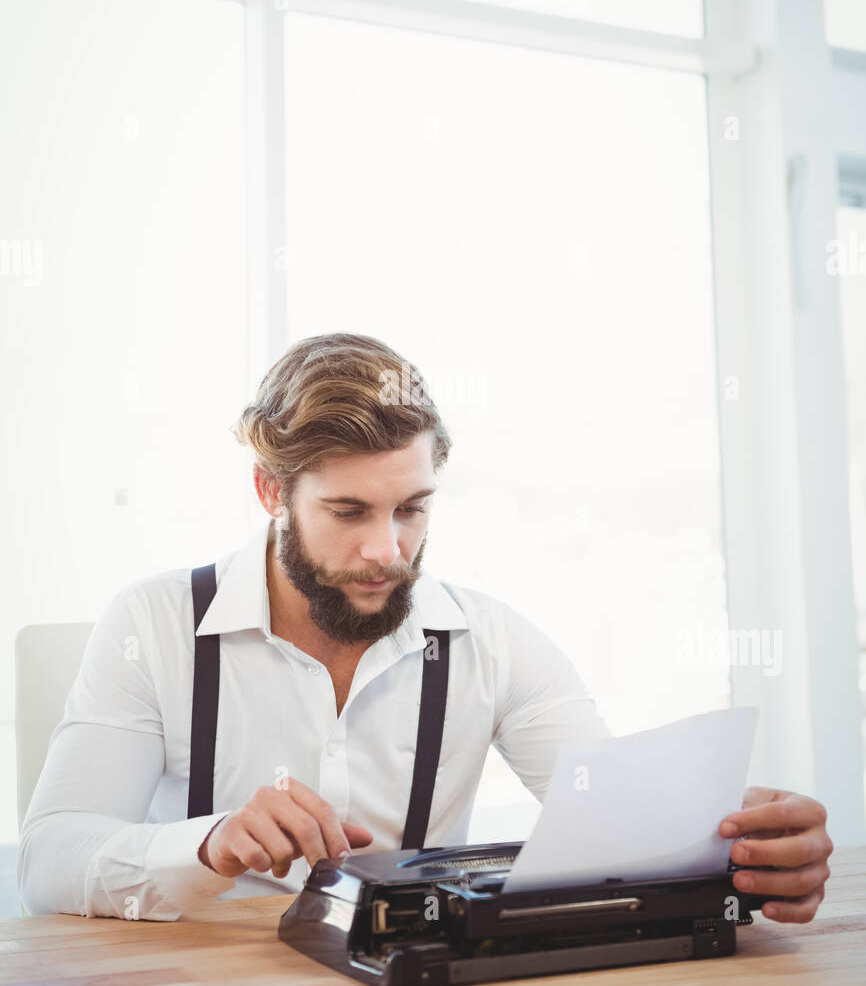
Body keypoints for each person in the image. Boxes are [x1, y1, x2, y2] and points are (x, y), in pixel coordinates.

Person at [18, 333, 833, 923]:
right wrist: (208, 845)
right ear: (271, 494)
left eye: (412, 509)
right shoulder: (152, 624)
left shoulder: (497, 643)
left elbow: (623, 827)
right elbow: (50, 860)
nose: (387, 550)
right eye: (348, 512)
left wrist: (742, 854)